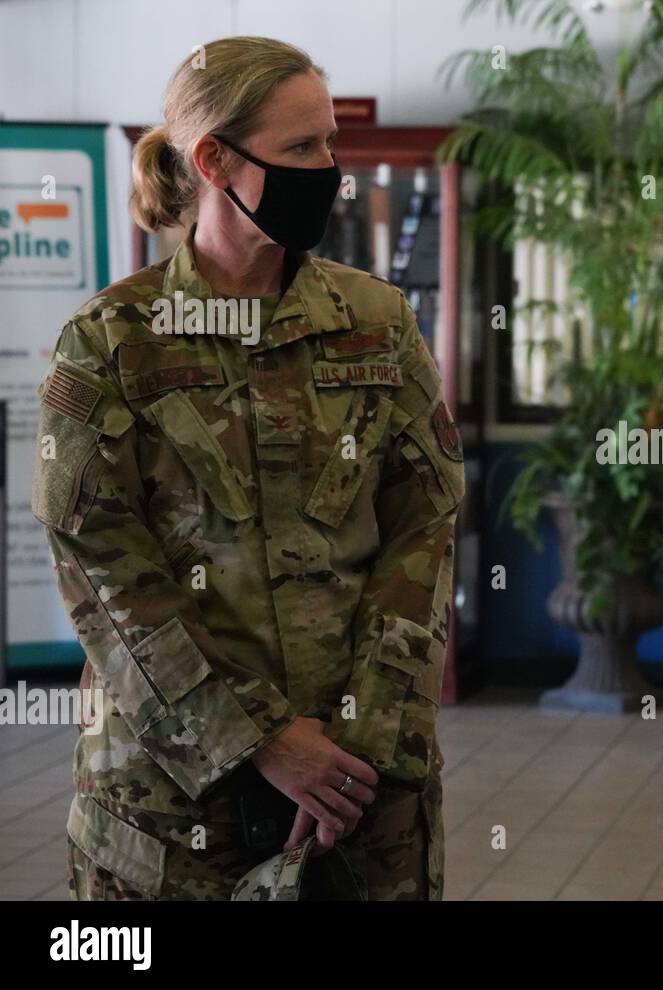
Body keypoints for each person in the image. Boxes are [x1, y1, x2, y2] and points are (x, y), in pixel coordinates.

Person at [33, 35, 464, 900]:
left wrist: (356, 744)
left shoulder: (376, 324)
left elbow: (425, 525)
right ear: (215, 160)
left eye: (331, 145)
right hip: (173, 806)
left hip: (360, 799)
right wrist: (262, 739)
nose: (329, 169)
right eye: (301, 149)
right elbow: (102, 571)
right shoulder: (112, 342)